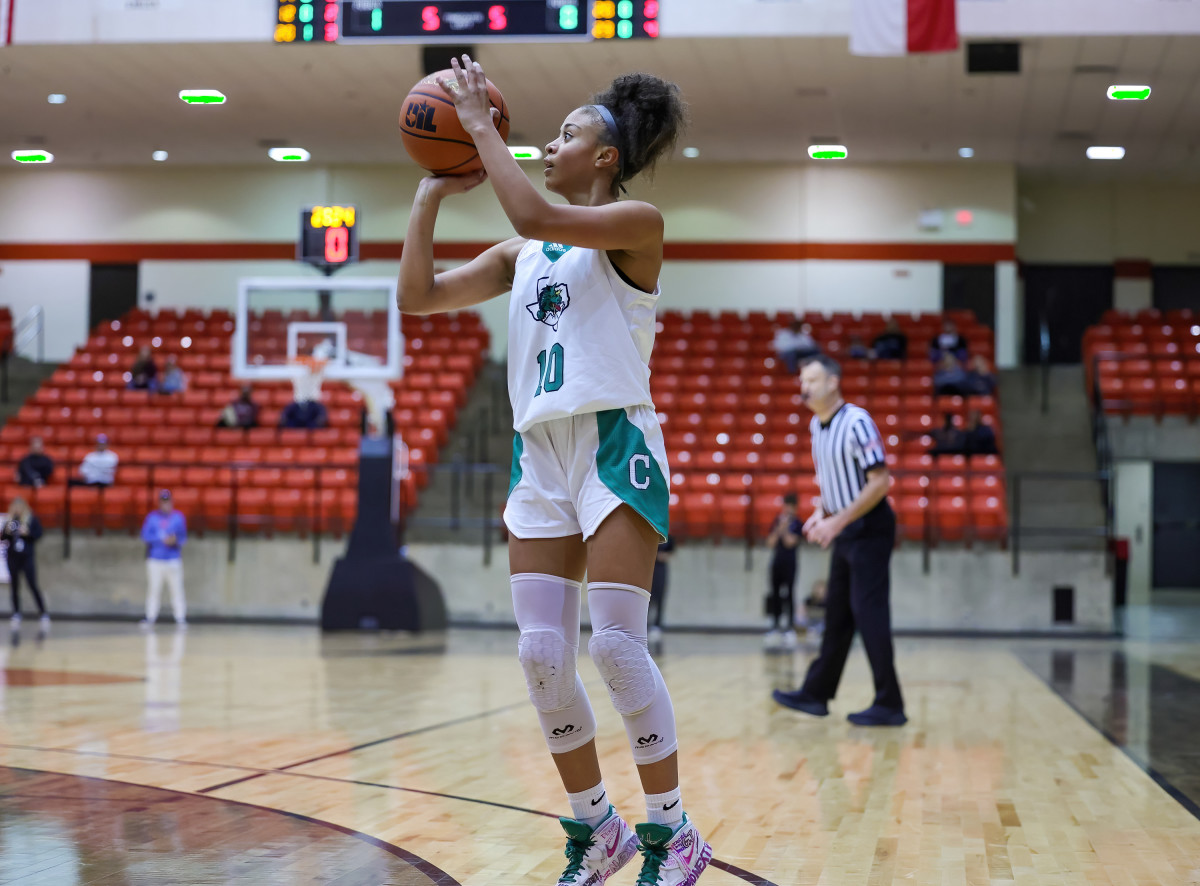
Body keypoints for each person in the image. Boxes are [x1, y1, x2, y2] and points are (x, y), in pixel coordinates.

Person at [397, 57, 710, 886]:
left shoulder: (637, 224)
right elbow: (417, 297)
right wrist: (431, 191)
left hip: (612, 441)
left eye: (568, 134)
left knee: (612, 646)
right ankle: (596, 828)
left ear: (604, 157)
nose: (550, 143)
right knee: (541, 653)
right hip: (538, 450)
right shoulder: (521, 251)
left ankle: (673, 833)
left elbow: (533, 205)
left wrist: (477, 128)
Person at [772, 355, 906, 727]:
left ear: (833, 382)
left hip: (870, 527)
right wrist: (821, 513)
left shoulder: (857, 422)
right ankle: (816, 694)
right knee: (837, 616)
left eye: (812, 379)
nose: (804, 387)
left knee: (869, 613)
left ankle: (890, 703)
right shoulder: (817, 426)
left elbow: (881, 481)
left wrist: (838, 522)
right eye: (802, 380)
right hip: (847, 526)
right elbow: (832, 483)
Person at [139, 490, 187, 630]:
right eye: (163, 501)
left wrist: (175, 540)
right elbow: (145, 536)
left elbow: (183, 537)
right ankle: (150, 617)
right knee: (154, 589)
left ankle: (180, 618)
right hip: (155, 559)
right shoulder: (152, 518)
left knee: (177, 589)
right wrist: (161, 540)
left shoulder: (178, 517)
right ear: (160, 502)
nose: (166, 504)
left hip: (173, 559)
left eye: (168, 501)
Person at [3, 497, 49, 638]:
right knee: (14, 586)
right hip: (13, 557)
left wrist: (27, 533)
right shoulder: (10, 521)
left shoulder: (31, 519)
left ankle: (43, 613)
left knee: (32, 584)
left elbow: (38, 534)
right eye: (15, 507)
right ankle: (16, 613)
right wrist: (8, 532)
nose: (17, 509)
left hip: (27, 557)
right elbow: (2, 537)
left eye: (19, 506)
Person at [764, 493, 801, 651]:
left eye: (790, 506)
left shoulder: (798, 524)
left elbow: (790, 542)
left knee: (790, 593)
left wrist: (785, 529)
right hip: (777, 563)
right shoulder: (777, 521)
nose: (788, 509)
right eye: (786, 505)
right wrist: (779, 528)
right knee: (775, 593)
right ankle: (775, 625)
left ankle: (789, 627)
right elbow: (770, 542)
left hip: (790, 564)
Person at [648, 534, 674, 645]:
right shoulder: (651, 535)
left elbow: (671, 551)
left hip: (661, 569)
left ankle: (657, 625)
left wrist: (665, 555)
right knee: (647, 599)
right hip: (650, 568)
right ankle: (644, 625)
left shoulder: (669, 537)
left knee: (660, 597)